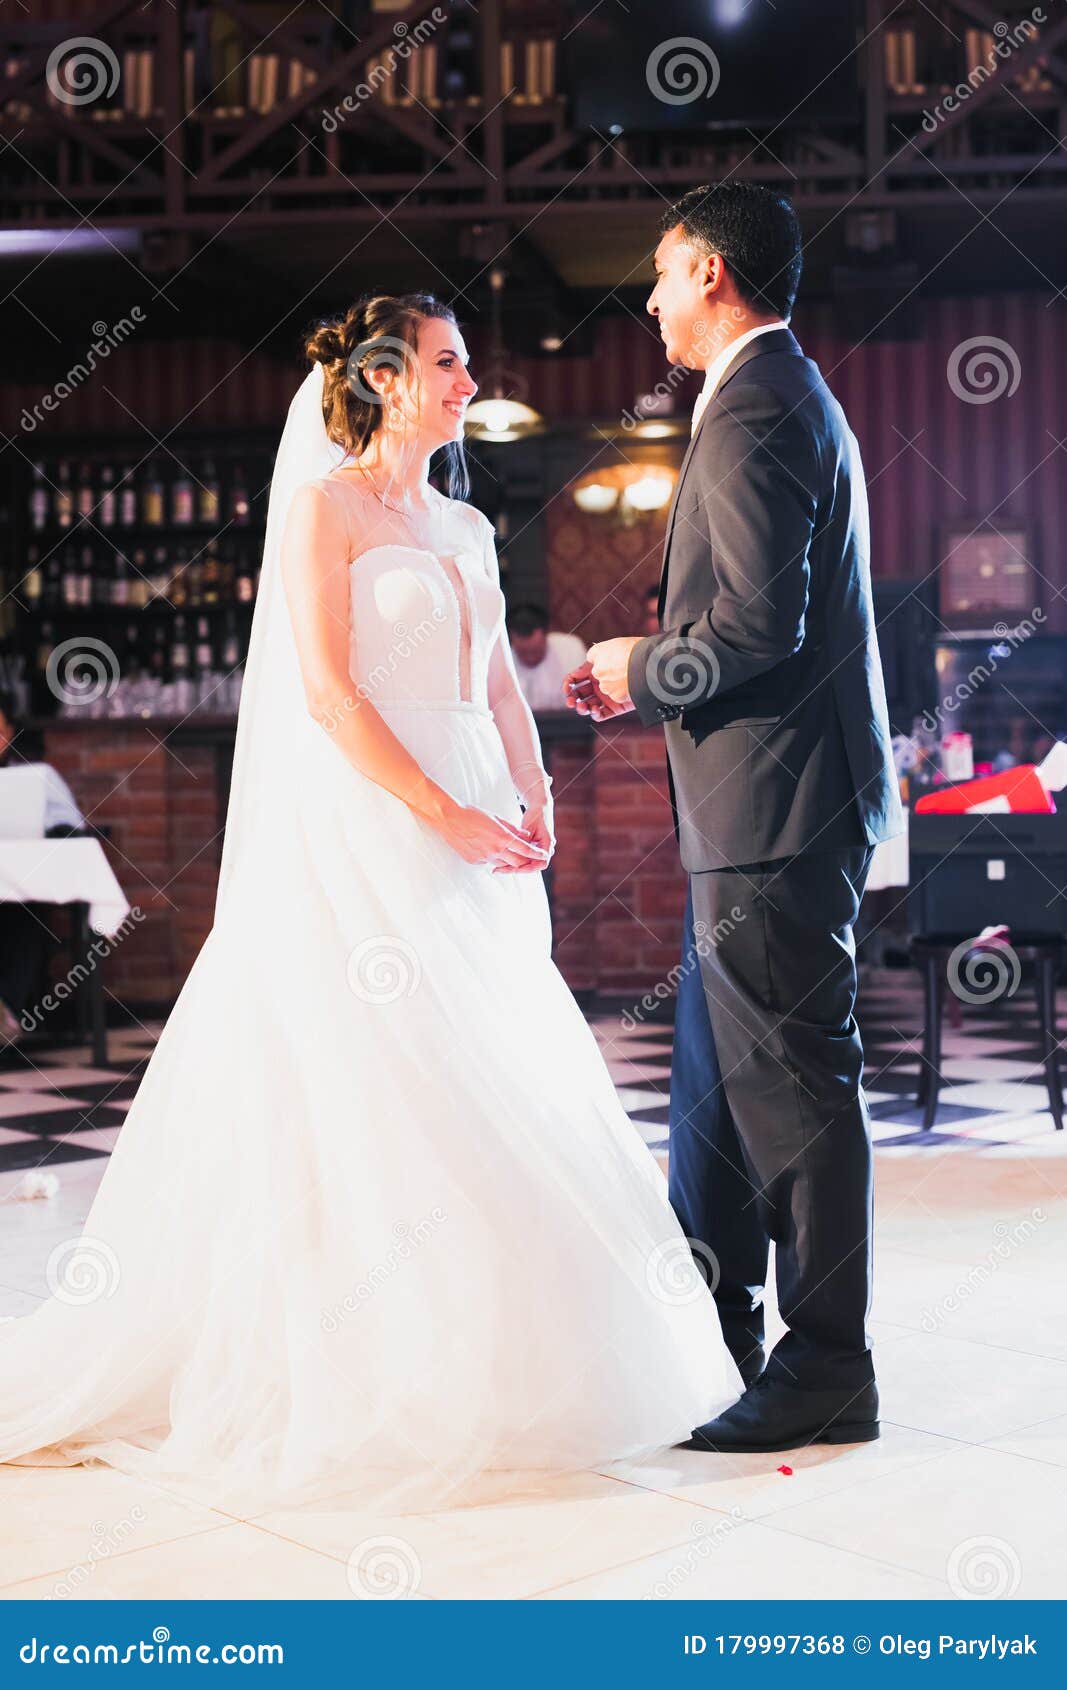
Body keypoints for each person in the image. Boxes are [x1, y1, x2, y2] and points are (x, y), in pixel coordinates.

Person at [0, 293, 735, 1513]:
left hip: (478, 802)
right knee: (388, 1053)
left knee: (497, 1049)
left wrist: (528, 784)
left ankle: (529, 1352)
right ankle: (386, 1356)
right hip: (370, 811)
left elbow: (494, 673)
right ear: (389, 379)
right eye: (449, 365)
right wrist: (434, 811)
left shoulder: (461, 518)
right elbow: (331, 696)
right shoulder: (322, 507)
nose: (466, 382)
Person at [566, 185, 904, 1453]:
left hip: (779, 808)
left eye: (659, 276)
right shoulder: (771, 394)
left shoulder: (760, 400)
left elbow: (758, 628)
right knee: (713, 1095)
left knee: (793, 1092)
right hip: (763, 805)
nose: (649, 301)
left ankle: (828, 1367)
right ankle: (713, 1326)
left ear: (709, 271)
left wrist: (636, 662)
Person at [0, 690, 85, 1045]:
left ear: (10, 730)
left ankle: (7, 1010)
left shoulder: (38, 777)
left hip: (22, 888)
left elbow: (73, 828)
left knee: (25, 911)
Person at [505, 603, 586, 712]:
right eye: (523, 652)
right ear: (511, 641)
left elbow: (584, 699)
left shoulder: (571, 650)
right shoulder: (502, 662)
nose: (530, 658)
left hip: (568, 724)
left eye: (535, 651)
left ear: (546, 636)